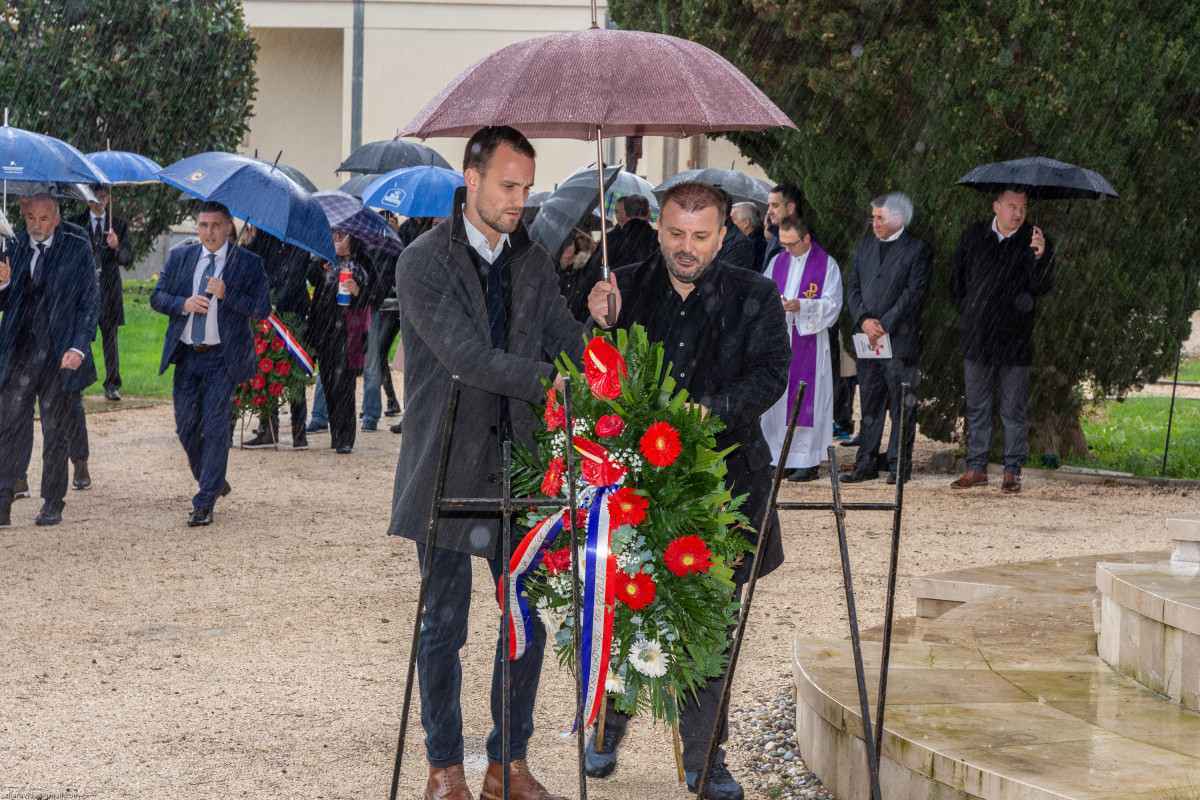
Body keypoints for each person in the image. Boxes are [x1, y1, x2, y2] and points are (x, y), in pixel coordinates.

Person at [387, 125, 583, 800]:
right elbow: (466, 358)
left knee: (526, 618)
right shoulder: (422, 261)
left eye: (526, 187)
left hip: (522, 466)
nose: (519, 200)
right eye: (508, 185)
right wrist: (550, 382)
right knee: (443, 623)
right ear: (471, 180)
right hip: (446, 460)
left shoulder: (535, 262)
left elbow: (566, 337)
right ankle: (444, 767)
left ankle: (508, 764)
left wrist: (601, 336)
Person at [585, 181, 790, 800]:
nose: (686, 247)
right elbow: (589, 372)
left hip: (725, 481)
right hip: (634, 481)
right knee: (626, 603)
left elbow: (772, 374)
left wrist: (711, 411)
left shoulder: (755, 294)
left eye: (701, 236)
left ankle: (705, 759)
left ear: (723, 236)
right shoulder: (619, 287)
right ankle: (608, 723)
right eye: (675, 233)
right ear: (658, 228)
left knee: (710, 620)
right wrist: (595, 322)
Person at [150, 201, 271, 527]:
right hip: (187, 355)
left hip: (222, 357)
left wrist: (227, 293)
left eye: (216, 225)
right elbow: (156, 296)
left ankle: (204, 502)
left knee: (216, 429)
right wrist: (183, 303)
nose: (209, 232)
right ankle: (213, 480)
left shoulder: (247, 263)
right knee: (186, 427)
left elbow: (262, 308)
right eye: (203, 225)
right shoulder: (181, 257)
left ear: (229, 227)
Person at [0, 193, 99, 526]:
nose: (36, 225)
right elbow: (3, 303)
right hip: (19, 351)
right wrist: (3, 284)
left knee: (56, 430)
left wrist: (79, 347)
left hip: (60, 353)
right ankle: (2, 501)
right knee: (8, 426)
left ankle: (53, 502)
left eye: (43, 219)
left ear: (57, 219)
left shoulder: (77, 244)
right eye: (30, 218)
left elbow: (89, 301)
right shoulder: (11, 242)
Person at [948, 187, 1055, 493]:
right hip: (977, 339)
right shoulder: (973, 236)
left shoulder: (1035, 240)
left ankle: (1012, 471)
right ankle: (976, 467)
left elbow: (1042, 286)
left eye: (1023, 207)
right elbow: (955, 282)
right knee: (977, 407)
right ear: (996, 207)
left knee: (1013, 410)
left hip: (1015, 341)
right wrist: (972, 311)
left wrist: (1040, 256)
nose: (1018, 213)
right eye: (1012, 206)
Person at [843, 192, 932, 484]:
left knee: (901, 405)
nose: (875, 223)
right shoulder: (864, 247)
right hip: (867, 338)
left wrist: (883, 325)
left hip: (899, 341)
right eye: (873, 218)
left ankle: (898, 464)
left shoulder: (918, 249)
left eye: (880, 218)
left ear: (898, 217)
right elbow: (852, 288)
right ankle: (866, 462)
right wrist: (863, 320)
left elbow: (914, 294)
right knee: (870, 404)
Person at [760, 215, 843, 482]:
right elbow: (763, 294)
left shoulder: (827, 265)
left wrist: (803, 306)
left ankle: (807, 462)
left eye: (791, 244)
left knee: (807, 400)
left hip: (809, 343)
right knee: (778, 400)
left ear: (806, 238)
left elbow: (833, 306)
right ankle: (778, 458)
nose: (786, 249)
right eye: (782, 244)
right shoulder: (777, 262)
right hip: (780, 340)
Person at [307, 230, 373, 453]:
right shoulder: (326, 256)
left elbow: (377, 291)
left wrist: (358, 291)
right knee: (328, 380)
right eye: (333, 235)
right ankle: (336, 434)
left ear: (351, 237)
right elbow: (311, 277)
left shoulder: (364, 260)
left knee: (344, 383)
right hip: (324, 328)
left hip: (350, 329)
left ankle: (346, 438)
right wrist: (323, 264)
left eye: (341, 236)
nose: (336, 240)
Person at [67, 184, 132, 402]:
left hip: (109, 291)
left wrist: (116, 246)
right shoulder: (76, 223)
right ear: (87, 198)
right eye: (94, 197)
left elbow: (127, 258)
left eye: (102, 197)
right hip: (84, 289)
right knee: (82, 337)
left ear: (108, 198)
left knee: (110, 340)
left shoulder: (119, 225)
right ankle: (79, 383)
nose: (98, 202)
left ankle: (112, 385)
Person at [760, 183, 801, 270]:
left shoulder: (804, 241)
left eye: (775, 206)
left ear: (791, 208)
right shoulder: (775, 234)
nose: (769, 211)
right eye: (769, 205)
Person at [731, 201, 767, 270]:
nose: (728, 224)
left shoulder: (750, 246)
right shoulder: (759, 240)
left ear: (745, 222)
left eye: (732, 220)